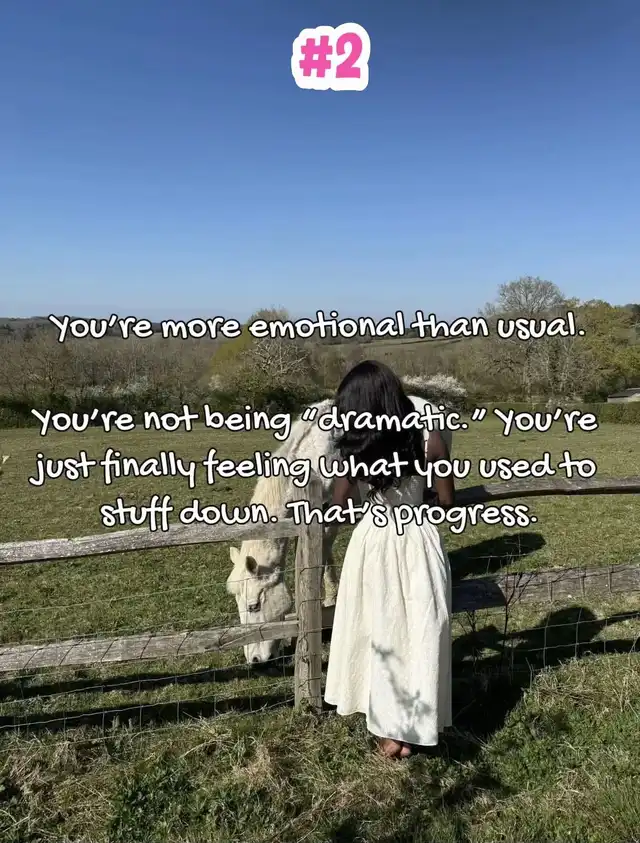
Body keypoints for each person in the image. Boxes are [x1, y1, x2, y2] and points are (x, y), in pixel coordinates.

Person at [324, 360, 454, 759]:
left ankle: (389, 732)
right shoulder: (427, 434)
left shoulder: (354, 446)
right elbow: (447, 499)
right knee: (420, 630)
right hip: (417, 538)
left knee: (379, 630)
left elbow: (339, 505)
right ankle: (411, 727)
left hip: (375, 540)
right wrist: (423, 497)